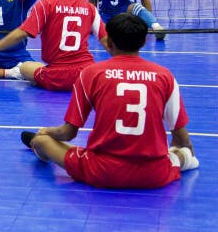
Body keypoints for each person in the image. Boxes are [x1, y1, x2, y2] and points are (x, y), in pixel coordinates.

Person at [20, 13, 199, 188]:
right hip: (153, 175)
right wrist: (185, 150)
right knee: (177, 154)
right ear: (144, 42)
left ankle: (39, 148)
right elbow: (181, 136)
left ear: (109, 42)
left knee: (43, 140)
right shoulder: (165, 76)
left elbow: (68, 133)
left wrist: (46, 131)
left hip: (102, 172)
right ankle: (183, 159)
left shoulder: (91, 74)